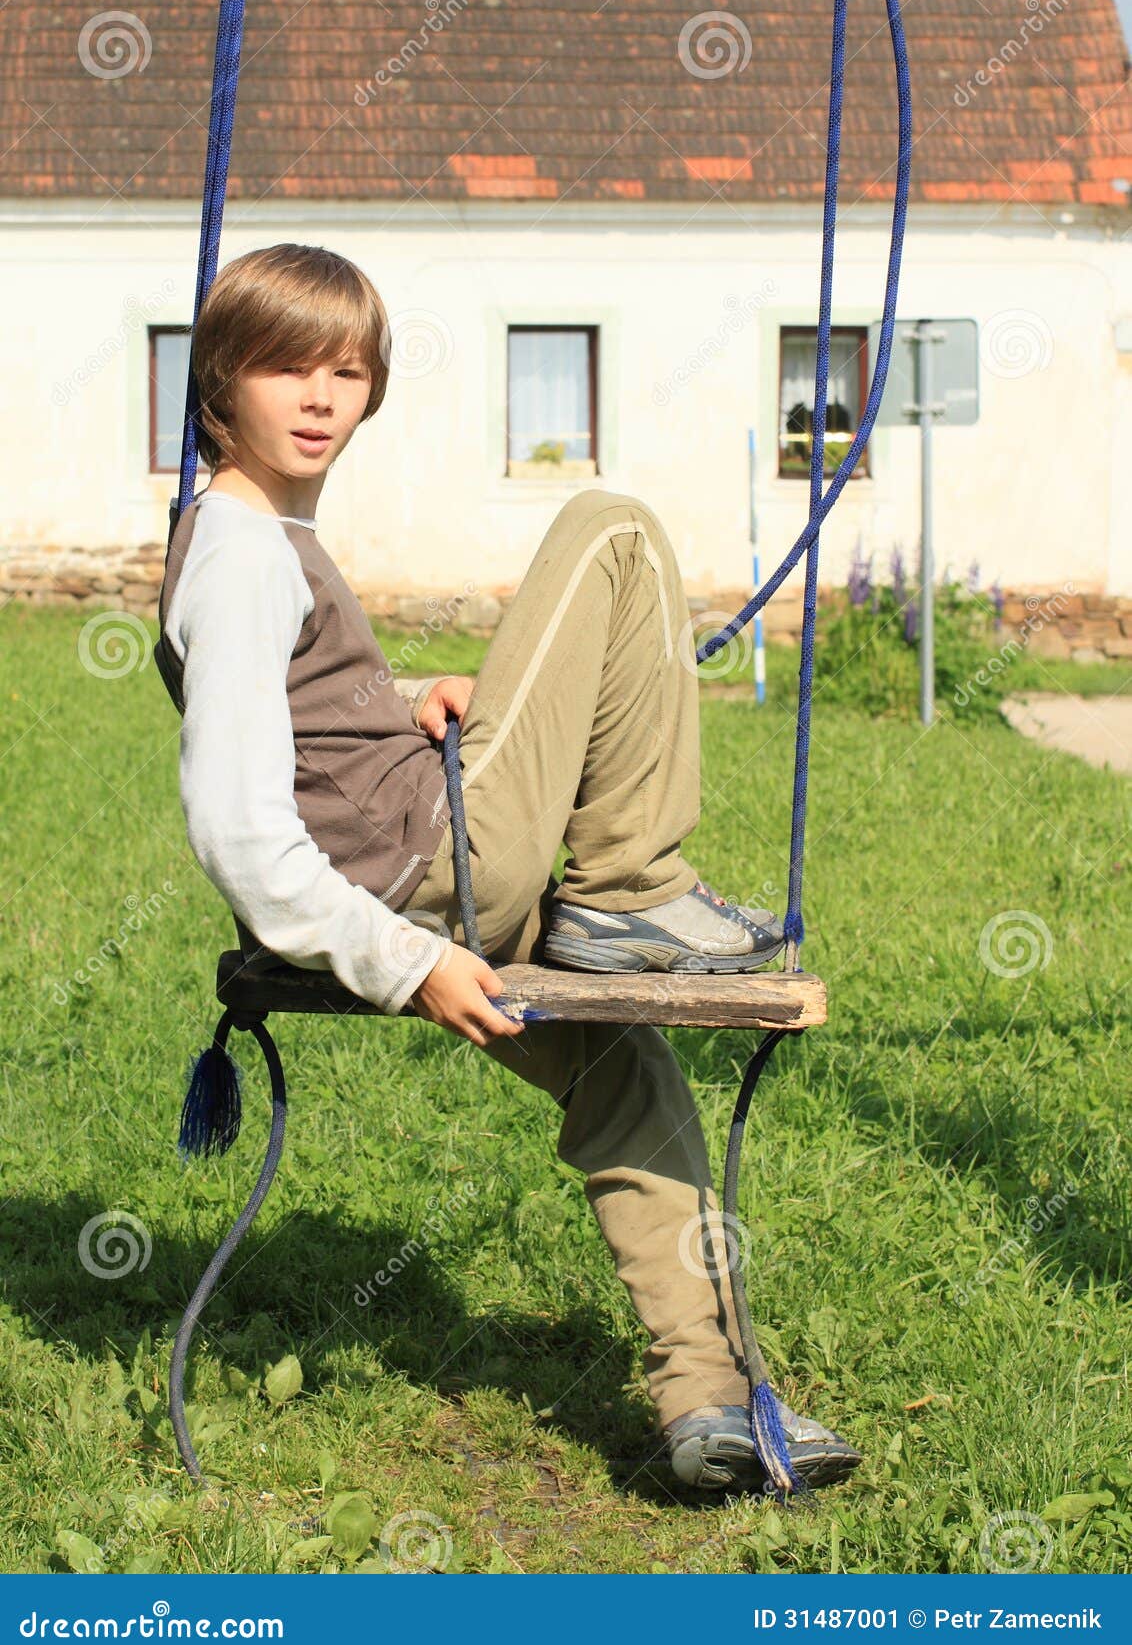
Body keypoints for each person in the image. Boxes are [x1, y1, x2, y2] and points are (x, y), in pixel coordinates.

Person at [157, 242, 860, 1494]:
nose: (322, 397)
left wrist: (391, 699)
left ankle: (707, 1395)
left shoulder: (261, 535)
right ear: (219, 381)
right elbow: (238, 831)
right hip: (423, 883)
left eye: (349, 370)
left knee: (629, 1078)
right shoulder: (239, 552)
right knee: (611, 531)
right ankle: (632, 893)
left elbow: (303, 719)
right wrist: (413, 958)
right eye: (286, 368)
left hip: (424, 854)